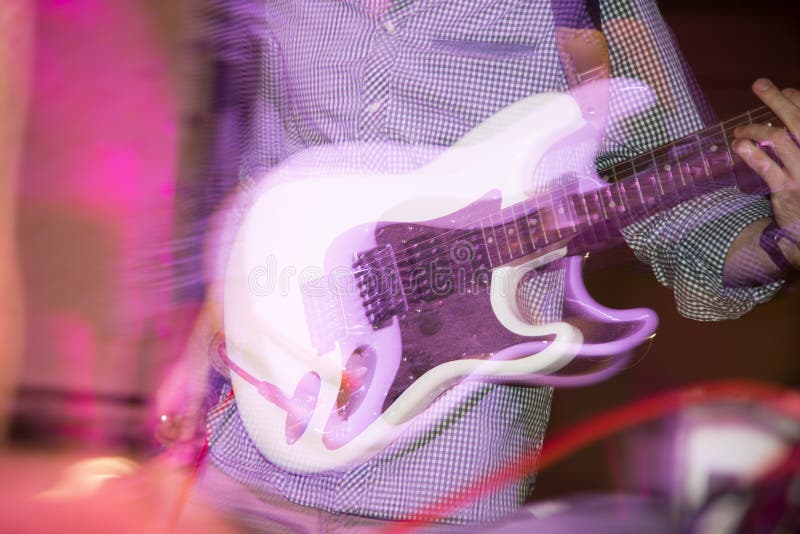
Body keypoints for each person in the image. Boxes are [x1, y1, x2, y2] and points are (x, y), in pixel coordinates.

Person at [159, 0, 800, 530]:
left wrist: (786, 240)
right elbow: (258, 184)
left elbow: (691, 231)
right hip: (251, 434)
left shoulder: (584, 8)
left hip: (443, 480)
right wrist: (200, 332)